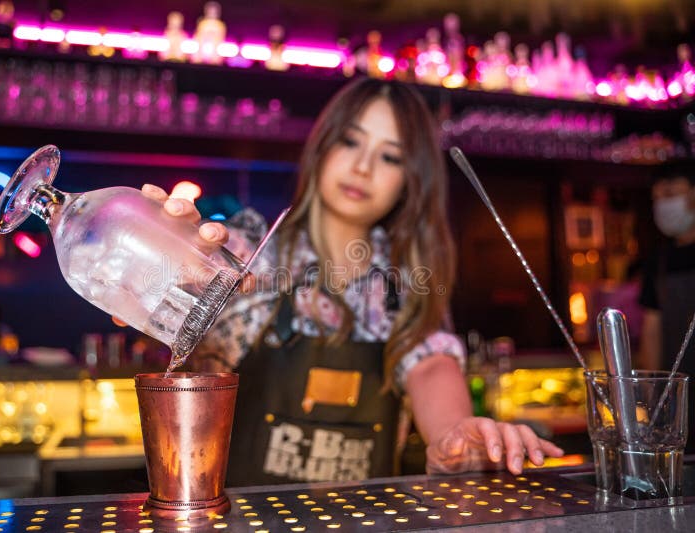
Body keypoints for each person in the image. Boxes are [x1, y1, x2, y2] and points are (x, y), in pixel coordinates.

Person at [128, 77, 563, 485]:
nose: (363, 166)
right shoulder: (244, 258)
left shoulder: (405, 289)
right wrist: (149, 259)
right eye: (351, 141)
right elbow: (161, 286)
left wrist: (457, 437)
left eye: (390, 156)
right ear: (322, 146)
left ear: (409, 182)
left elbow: (431, 366)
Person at [638, 161, 695, 453]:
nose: (663, 204)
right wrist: (649, 392)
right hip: (674, 398)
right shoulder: (658, 260)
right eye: (657, 198)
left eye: (670, 193)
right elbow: (651, 328)